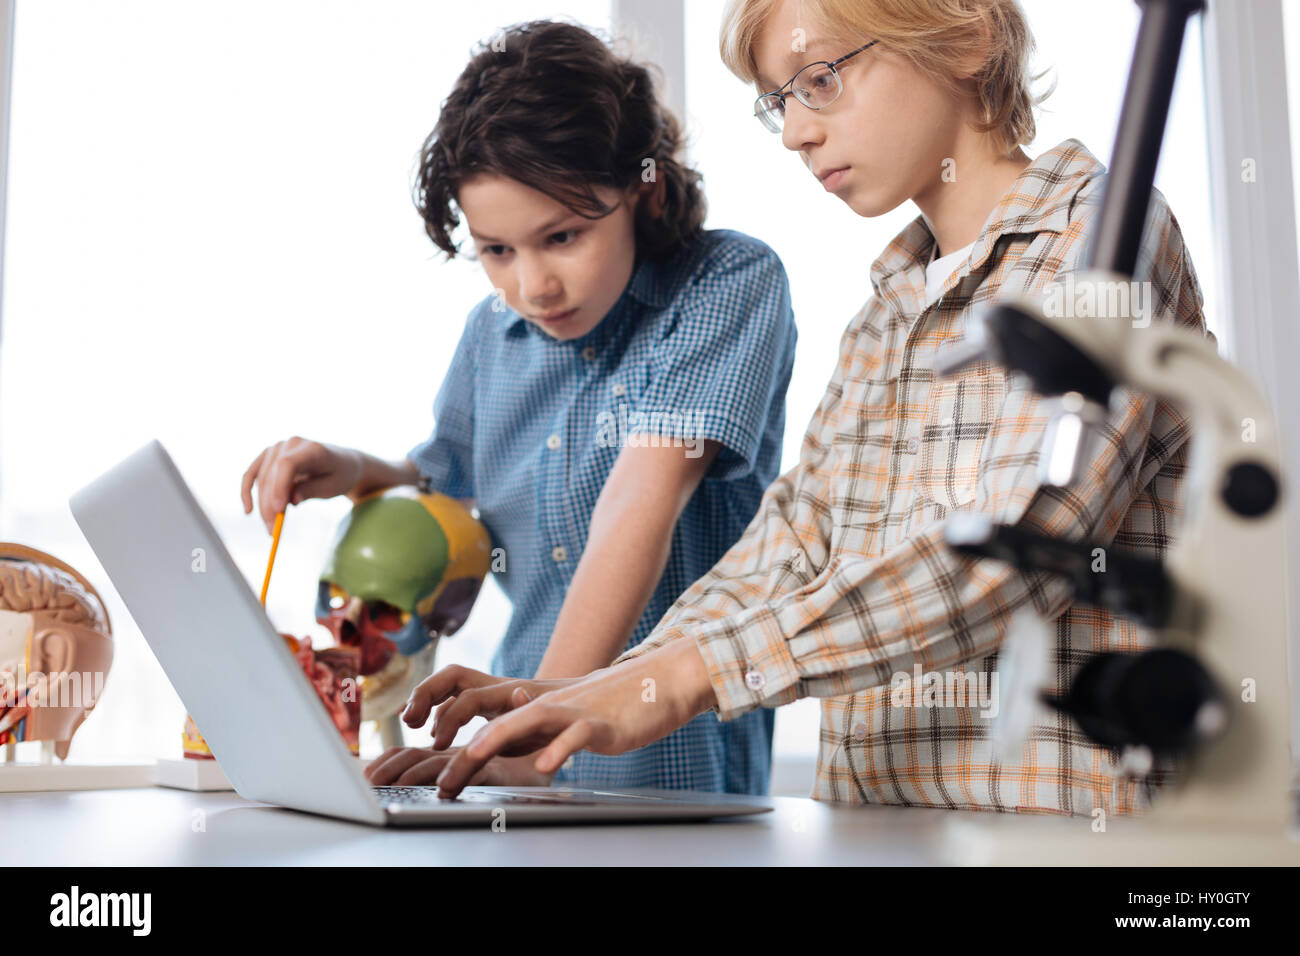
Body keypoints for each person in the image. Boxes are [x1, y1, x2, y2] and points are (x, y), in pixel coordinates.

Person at [416, 0, 1213, 817]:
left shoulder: (1105, 244)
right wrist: (576, 697)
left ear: (967, 35)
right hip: (876, 832)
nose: (796, 132)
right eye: (779, 101)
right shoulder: (885, 314)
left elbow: (1023, 547)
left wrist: (685, 680)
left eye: (820, 81)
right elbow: (789, 547)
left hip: (1069, 838)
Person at [242, 20, 797, 795]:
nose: (532, 286)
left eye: (563, 236)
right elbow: (447, 488)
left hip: (673, 771)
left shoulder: (725, 285)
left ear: (644, 189)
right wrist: (354, 469)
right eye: (497, 250)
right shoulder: (491, 337)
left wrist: (538, 728)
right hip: (512, 761)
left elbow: (640, 502)